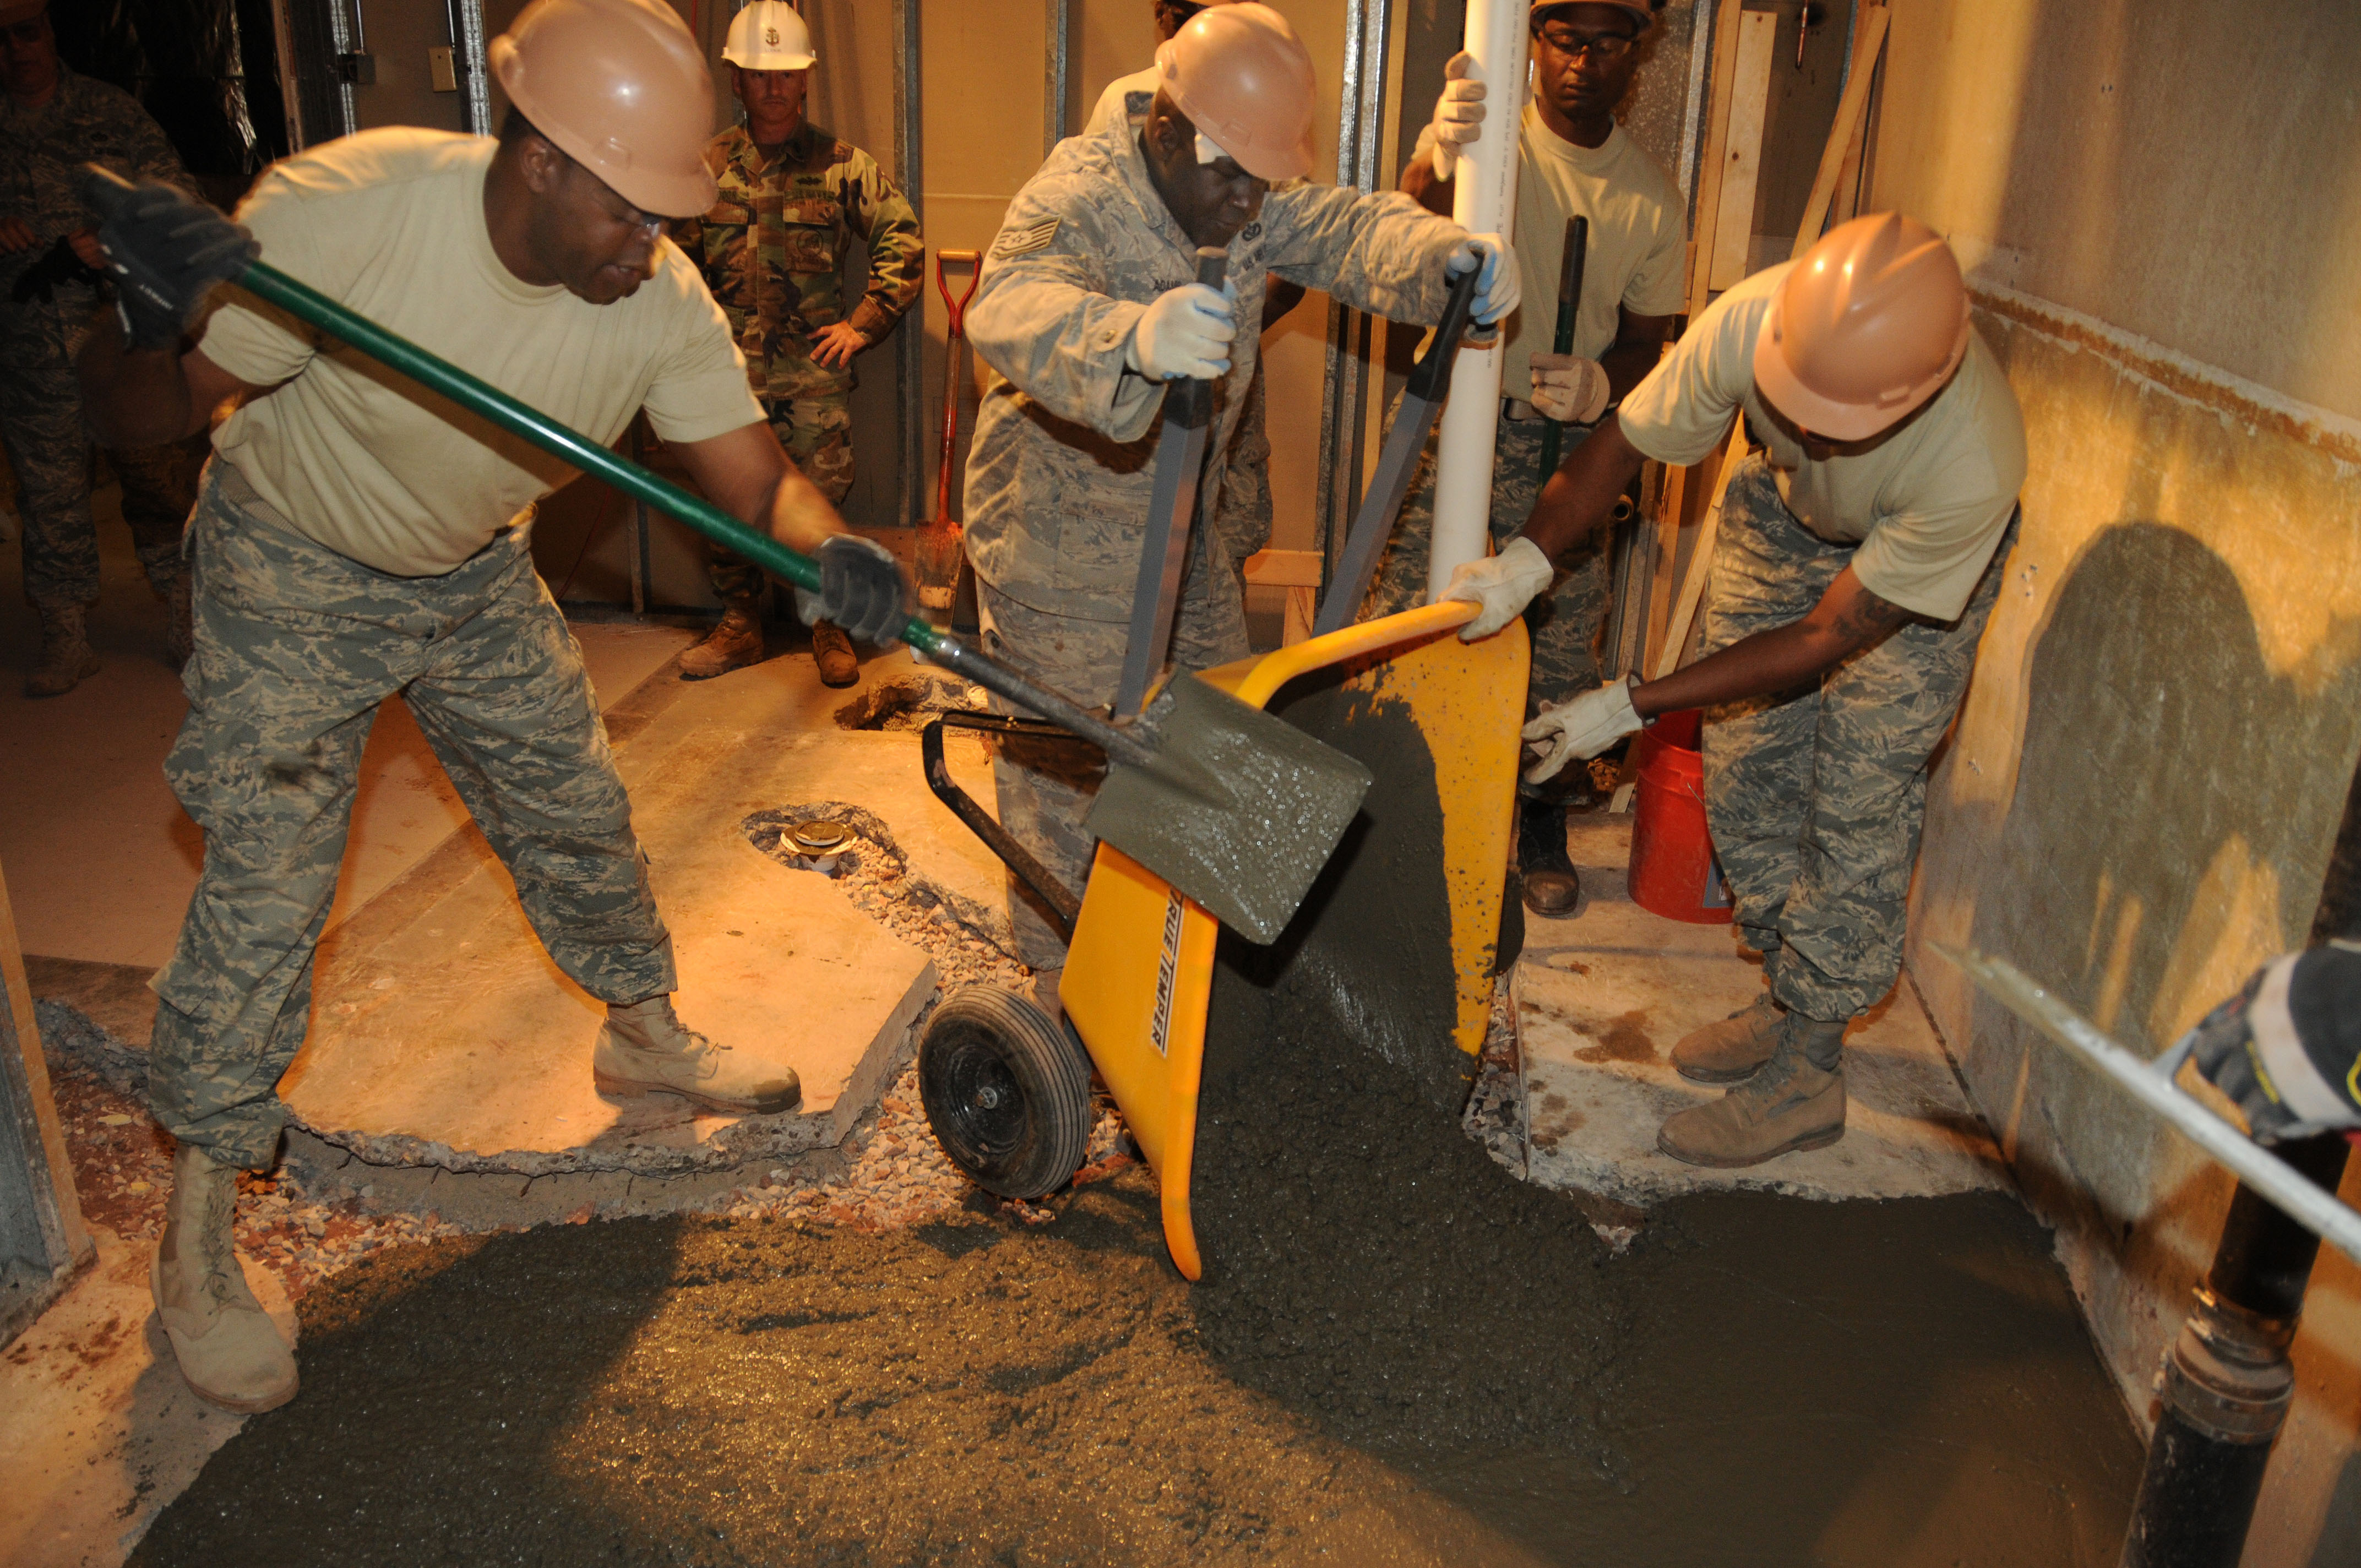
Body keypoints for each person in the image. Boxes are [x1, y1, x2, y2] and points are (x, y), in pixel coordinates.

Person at [74, 0, 910, 1413]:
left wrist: (829, 549)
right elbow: (140, 415)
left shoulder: (654, 292)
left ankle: (638, 1022)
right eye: (634, 212)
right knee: (269, 883)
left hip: (469, 568)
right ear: (541, 161)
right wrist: (148, 324)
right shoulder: (348, 223)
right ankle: (203, 1229)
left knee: (572, 803)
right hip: (297, 555)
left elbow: (758, 479)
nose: (657, 245)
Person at [1441, 212, 2026, 1168]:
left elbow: (1823, 637)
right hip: (1786, 516)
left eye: (1829, 416)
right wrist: (1522, 561)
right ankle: (1784, 994)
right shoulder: (1755, 318)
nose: (1803, 423)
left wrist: (1625, 704)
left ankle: (1808, 1073)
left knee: (1856, 799)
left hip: (1903, 582)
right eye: (1794, 399)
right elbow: (1619, 446)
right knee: (1747, 771)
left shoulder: (1973, 456)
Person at [961, 2, 1517, 994]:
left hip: (1184, 536)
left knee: (1223, 754)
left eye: (1257, 182)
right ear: (1168, 130)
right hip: (1062, 551)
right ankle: (1065, 997)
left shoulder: (1240, 181)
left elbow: (1341, 226)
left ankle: (1197, 986)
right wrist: (1126, 334)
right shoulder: (1082, 191)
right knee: (1075, 774)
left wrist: (1439, 255)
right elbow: (1007, 303)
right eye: (1227, 176)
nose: (1241, 204)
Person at [1372, 0, 1684, 917]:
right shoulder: (1483, 154)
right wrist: (1431, 157)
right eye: (1563, 38)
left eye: (1608, 42)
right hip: (1462, 419)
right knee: (1409, 617)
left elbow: (1646, 340)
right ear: (1535, 43)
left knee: (1556, 637)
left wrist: (1603, 381)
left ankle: (1538, 819)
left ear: (1637, 52)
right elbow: (1402, 234)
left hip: (1571, 449)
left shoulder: (1649, 201)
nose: (1583, 60)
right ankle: (1387, 814)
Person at [669, 0, 923, 688]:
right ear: (736, 81)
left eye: (785, 75)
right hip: (724, 384)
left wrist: (864, 323)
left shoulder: (843, 167)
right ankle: (740, 626)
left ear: (805, 80)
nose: (773, 87)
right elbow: (668, 269)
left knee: (818, 511)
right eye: (758, 74)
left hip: (813, 388)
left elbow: (902, 236)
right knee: (724, 509)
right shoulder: (703, 169)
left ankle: (828, 625)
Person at [0, 0, 209, 695]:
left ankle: (184, 620)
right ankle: (66, 636)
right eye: (0, 39)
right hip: (32, 342)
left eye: (27, 32)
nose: (15, 50)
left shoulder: (107, 111)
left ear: (50, 33)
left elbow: (177, 192)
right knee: (49, 489)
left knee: (156, 477)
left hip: (122, 336)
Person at [1082, 0, 1292, 580]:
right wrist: (1152, 339)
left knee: (1221, 539)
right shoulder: (1126, 104)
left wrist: (1224, 328)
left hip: (1224, 360)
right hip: (1145, 359)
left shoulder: (1263, 93)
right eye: (1192, 15)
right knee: (1134, 541)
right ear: (1165, 20)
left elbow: (1290, 256)